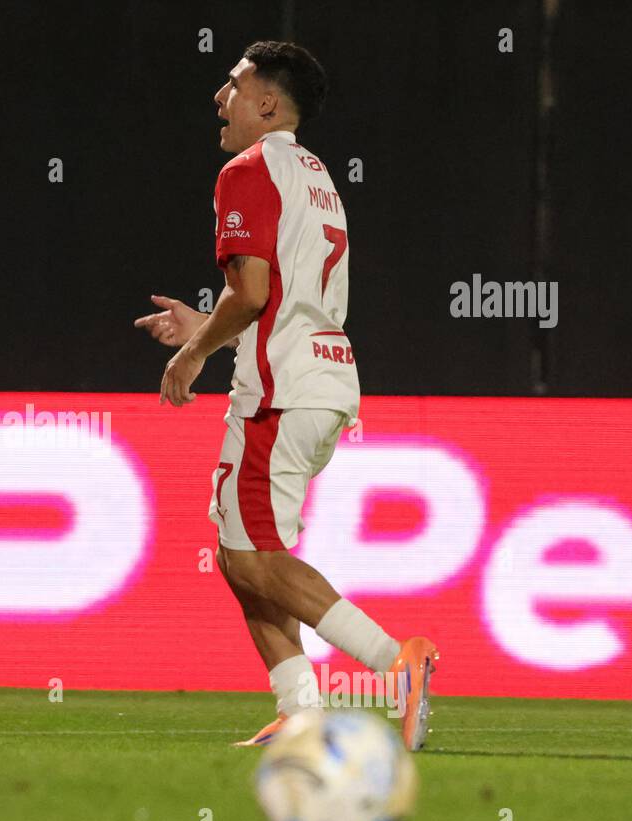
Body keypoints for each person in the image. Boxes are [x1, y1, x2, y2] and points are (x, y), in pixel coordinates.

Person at [134, 40, 438, 750]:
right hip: (322, 379)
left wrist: (193, 349)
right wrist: (206, 325)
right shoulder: (315, 174)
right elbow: (281, 300)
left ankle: (395, 662)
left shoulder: (247, 168)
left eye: (233, 84)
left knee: (252, 557)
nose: (220, 97)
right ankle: (301, 707)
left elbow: (253, 293)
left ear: (267, 102)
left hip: (279, 389)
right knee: (240, 549)